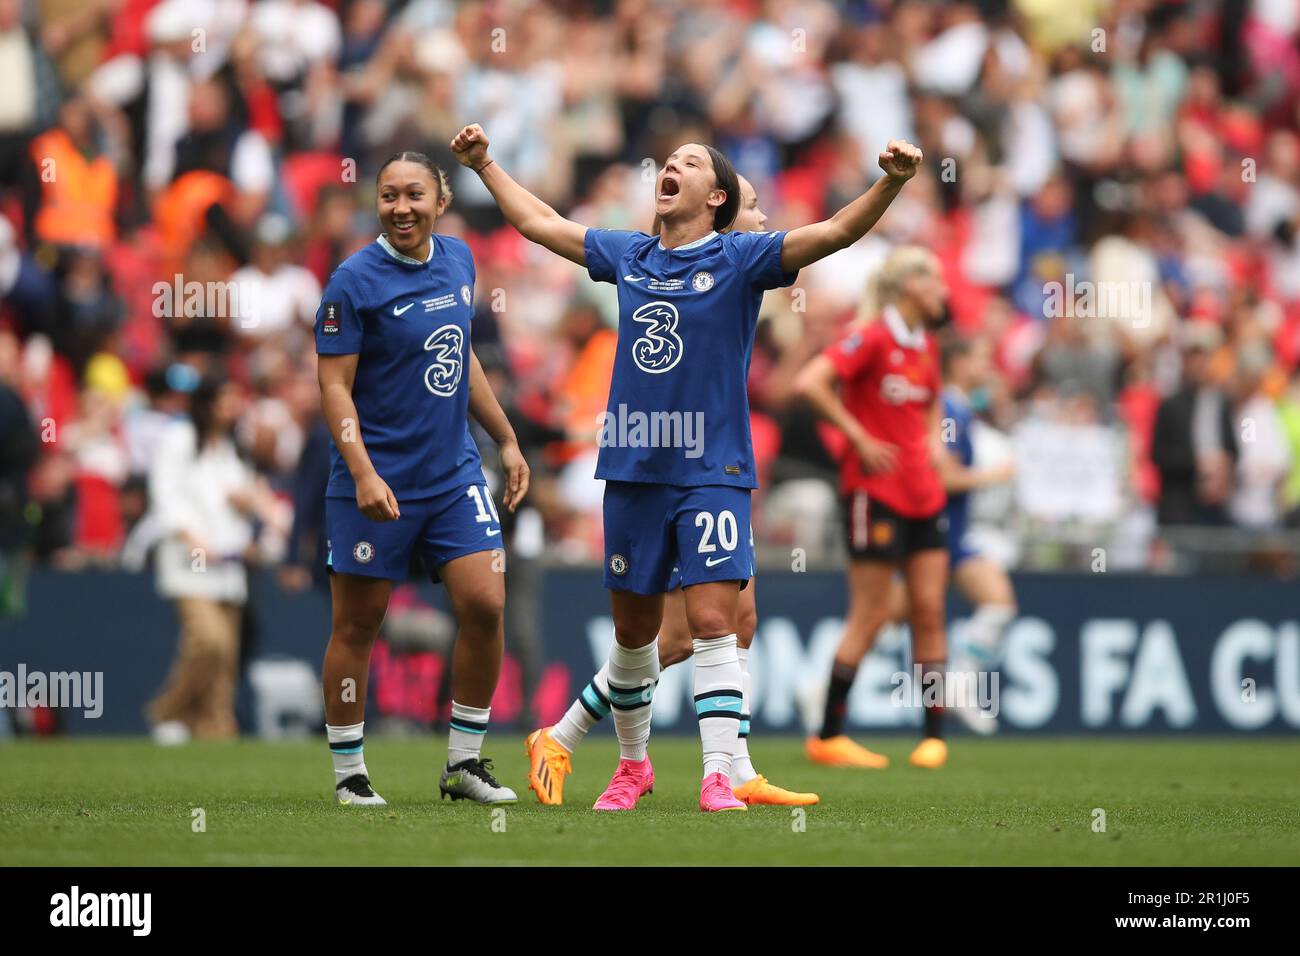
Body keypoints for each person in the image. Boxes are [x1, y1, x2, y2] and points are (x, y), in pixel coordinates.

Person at [451, 122, 922, 811]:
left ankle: (718, 776)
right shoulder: (629, 254)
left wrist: (891, 182)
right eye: (669, 160)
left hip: (712, 469)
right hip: (632, 465)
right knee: (635, 635)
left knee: (713, 621)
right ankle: (632, 768)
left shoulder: (741, 258)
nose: (671, 166)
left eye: (691, 162)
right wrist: (485, 164)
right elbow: (541, 224)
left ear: (716, 196)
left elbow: (834, 233)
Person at [523, 176, 818, 807]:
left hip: (717, 469)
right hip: (659, 468)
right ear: (722, 210)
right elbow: (546, 226)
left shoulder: (740, 272)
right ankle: (567, 735)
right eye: (752, 205)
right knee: (684, 634)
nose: (762, 216)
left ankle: (735, 769)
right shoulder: (678, 258)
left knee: (739, 620)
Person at [315, 152, 530, 807]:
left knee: (486, 603)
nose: (401, 207)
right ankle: (349, 772)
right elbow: (333, 386)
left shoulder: (460, 260)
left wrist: (506, 438)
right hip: (375, 479)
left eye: (414, 194)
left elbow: (461, 358)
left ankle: (464, 763)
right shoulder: (352, 282)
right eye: (388, 196)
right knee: (358, 623)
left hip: (452, 474)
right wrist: (362, 472)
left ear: (440, 201)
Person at [793, 246, 952, 770]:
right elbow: (810, 382)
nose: (944, 291)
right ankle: (829, 734)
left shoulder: (926, 344)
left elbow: (932, 401)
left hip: (923, 492)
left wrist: (934, 441)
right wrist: (858, 437)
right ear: (911, 286)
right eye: (935, 281)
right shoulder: (873, 337)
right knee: (871, 611)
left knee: (928, 607)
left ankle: (933, 736)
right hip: (875, 492)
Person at [887, 335, 1017, 734]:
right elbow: (943, 477)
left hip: (951, 535)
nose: (987, 366)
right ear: (957, 362)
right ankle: (821, 690)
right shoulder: (948, 409)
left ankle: (959, 683)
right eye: (980, 356)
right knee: (883, 618)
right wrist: (995, 475)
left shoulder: (958, 408)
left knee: (996, 601)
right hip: (935, 533)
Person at [147, 376, 269, 743]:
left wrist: (247, 514)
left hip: (229, 568)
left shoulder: (232, 448)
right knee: (209, 640)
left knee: (225, 657)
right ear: (208, 401)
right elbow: (166, 495)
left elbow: (241, 507)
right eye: (226, 397)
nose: (232, 406)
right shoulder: (178, 438)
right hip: (192, 563)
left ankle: (215, 727)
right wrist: (193, 540)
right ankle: (166, 711)